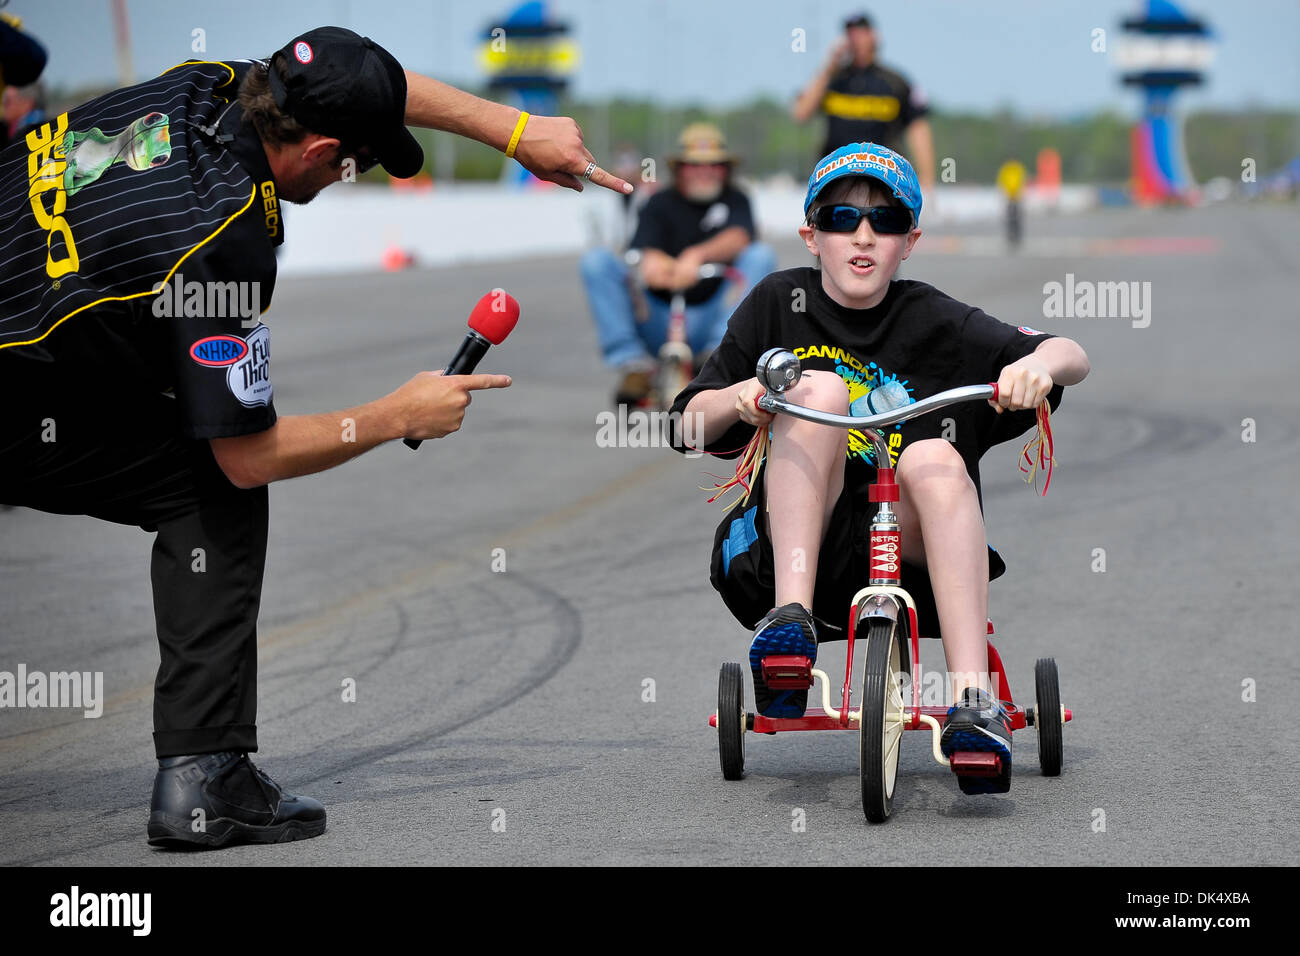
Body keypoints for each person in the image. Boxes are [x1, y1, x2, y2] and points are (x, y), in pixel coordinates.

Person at [0, 25, 631, 849]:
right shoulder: (222, 240)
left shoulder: (214, 83)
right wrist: (394, 415)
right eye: (356, 163)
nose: (354, 176)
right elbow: (247, 452)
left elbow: (379, 86)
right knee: (212, 486)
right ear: (323, 149)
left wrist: (514, 132)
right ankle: (204, 779)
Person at [669, 142, 1089, 794]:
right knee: (819, 392)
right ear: (811, 234)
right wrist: (742, 399)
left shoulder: (937, 321)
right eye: (841, 220)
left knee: (930, 455)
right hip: (800, 548)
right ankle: (790, 630)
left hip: (919, 555)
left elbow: (1071, 353)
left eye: (885, 222)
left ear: (909, 239)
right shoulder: (779, 303)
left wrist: (1037, 368)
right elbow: (687, 422)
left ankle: (972, 700)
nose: (862, 238)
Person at [579, 122, 776, 405]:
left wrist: (696, 257)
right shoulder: (659, 202)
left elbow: (740, 237)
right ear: (680, 169)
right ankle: (633, 364)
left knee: (760, 256)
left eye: (714, 166)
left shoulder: (736, 199)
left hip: (714, 315)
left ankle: (718, 355)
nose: (705, 172)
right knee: (596, 262)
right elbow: (644, 250)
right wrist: (657, 266)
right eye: (694, 166)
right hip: (658, 314)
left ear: (726, 170)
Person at [792, 12, 934, 200]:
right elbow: (801, 113)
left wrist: (927, 182)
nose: (856, 40)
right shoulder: (832, 80)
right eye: (850, 34)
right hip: (835, 176)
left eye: (861, 33)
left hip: (883, 178)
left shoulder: (895, 82)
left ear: (874, 37)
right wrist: (828, 67)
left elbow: (919, 130)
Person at [0, 8, 46, 150]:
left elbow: (34, 58)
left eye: (7, 102)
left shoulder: (38, 133)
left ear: (27, 103)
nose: (3, 105)